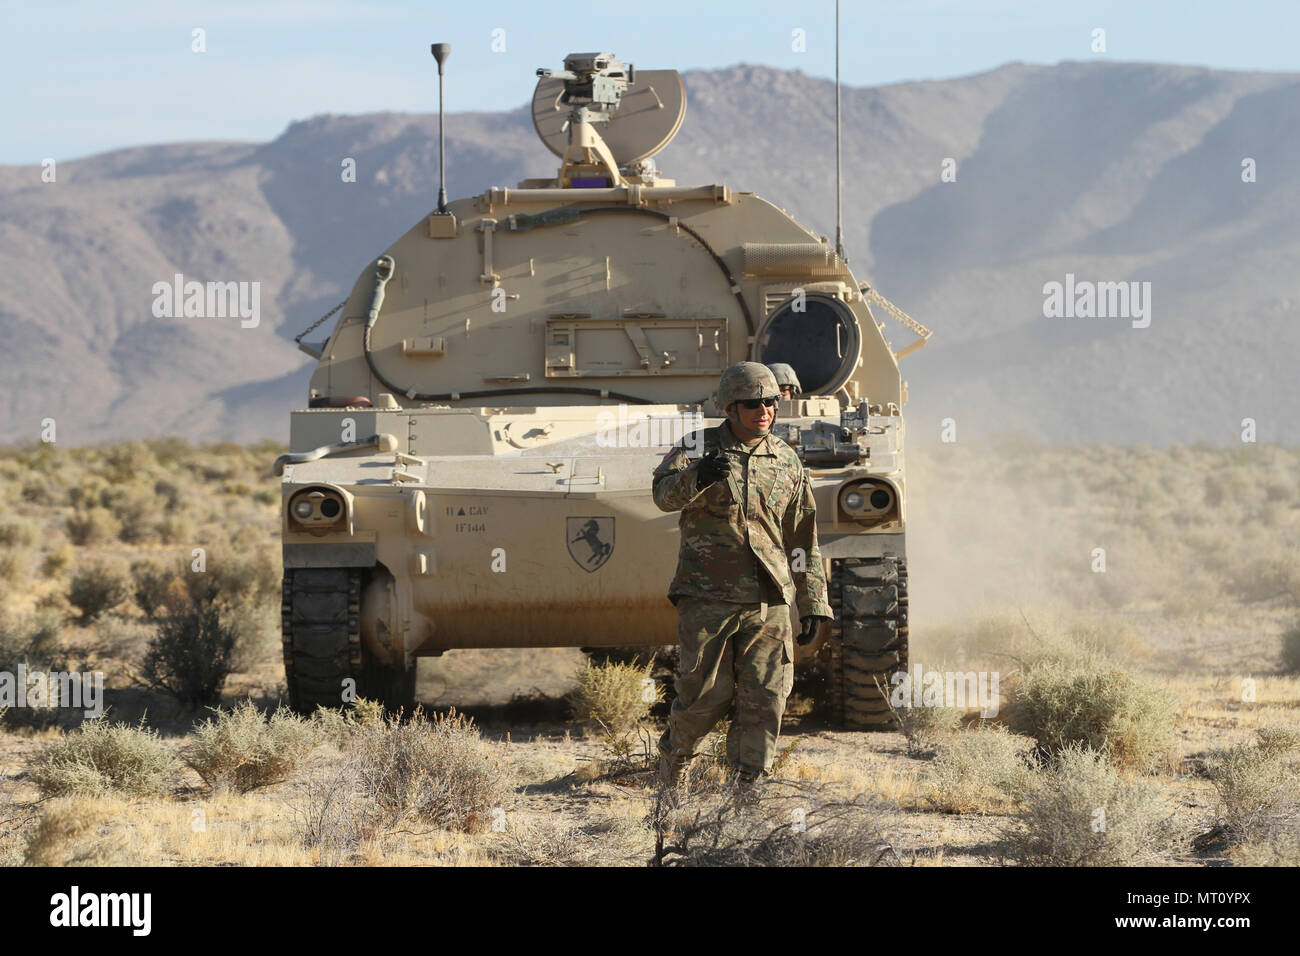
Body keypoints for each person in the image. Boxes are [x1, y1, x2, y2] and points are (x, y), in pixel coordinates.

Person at [651, 362, 833, 791]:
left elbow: (804, 539)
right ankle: (671, 779)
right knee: (704, 697)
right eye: (753, 404)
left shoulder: (786, 460)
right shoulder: (697, 446)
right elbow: (662, 496)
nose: (764, 411)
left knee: (766, 700)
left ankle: (744, 799)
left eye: (770, 402)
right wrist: (696, 477)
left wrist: (813, 603)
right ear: (730, 407)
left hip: (767, 600)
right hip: (707, 595)